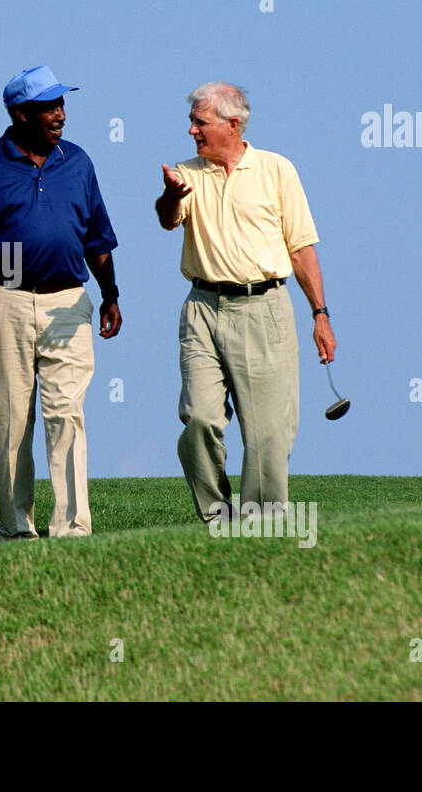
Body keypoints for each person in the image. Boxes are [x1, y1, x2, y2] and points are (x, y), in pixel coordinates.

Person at [0, 65, 121, 541]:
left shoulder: (78, 162)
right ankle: (16, 527)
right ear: (20, 114)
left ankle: (70, 528)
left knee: (66, 413)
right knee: (8, 421)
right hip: (4, 303)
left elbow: (97, 238)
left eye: (62, 105)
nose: (60, 115)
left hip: (69, 302)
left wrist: (111, 295)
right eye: (49, 108)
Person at [155, 82, 337, 521]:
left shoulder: (277, 170)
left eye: (200, 122)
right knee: (200, 419)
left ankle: (261, 526)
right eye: (192, 122)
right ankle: (218, 519)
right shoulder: (186, 172)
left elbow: (301, 249)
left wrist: (320, 314)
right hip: (202, 308)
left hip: (265, 309)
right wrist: (169, 197)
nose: (192, 131)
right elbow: (167, 220)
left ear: (232, 125)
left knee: (268, 434)